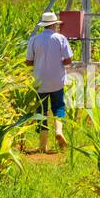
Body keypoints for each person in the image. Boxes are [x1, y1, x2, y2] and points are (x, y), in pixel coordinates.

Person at [25, 11, 73, 152]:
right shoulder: (60, 38)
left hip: (40, 82)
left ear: (44, 26)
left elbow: (28, 62)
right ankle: (59, 131)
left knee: (41, 111)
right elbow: (69, 59)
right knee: (59, 107)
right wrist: (58, 61)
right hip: (57, 80)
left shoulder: (34, 40)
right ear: (53, 25)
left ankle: (42, 145)